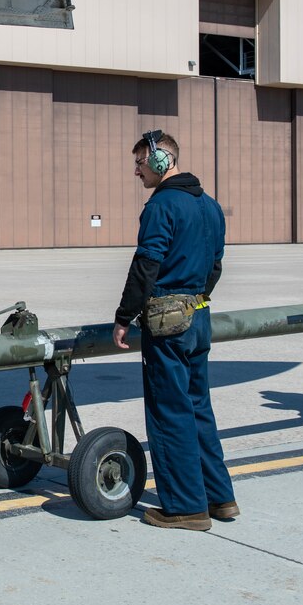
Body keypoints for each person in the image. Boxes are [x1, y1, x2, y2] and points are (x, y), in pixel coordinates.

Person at [111, 131, 236, 531]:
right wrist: (194, 298)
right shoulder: (210, 205)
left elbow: (146, 264)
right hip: (199, 315)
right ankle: (219, 497)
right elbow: (215, 265)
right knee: (199, 407)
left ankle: (185, 507)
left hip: (167, 321)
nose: (137, 172)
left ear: (159, 161)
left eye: (140, 163)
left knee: (170, 411)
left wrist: (124, 316)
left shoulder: (161, 205)